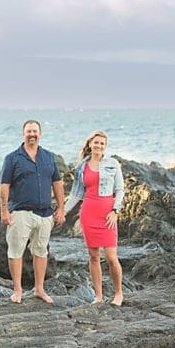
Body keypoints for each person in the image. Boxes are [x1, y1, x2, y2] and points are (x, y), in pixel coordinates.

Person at [0, 120, 65, 304]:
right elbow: (4, 186)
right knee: (15, 251)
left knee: (41, 252)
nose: (32, 134)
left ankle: (39, 289)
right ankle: (18, 291)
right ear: (23, 134)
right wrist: (4, 210)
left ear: (40, 134)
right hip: (20, 213)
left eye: (35, 131)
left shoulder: (49, 157)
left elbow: (57, 184)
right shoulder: (12, 158)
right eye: (29, 131)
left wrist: (61, 208)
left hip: (45, 214)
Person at [64, 130, 125, 306]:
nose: (98, 146)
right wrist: (62, 212)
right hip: (88, 213)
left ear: (105, 147)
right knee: (93, 256)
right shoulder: (81, 167)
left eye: (102, 144)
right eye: (96, 143)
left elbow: (120, 190)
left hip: (107, 214)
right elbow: (75, 195)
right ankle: (98, 296)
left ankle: (118, 293)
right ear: (90, 144)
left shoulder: (113, 164)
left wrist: (115, 210)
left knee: (112, 257)